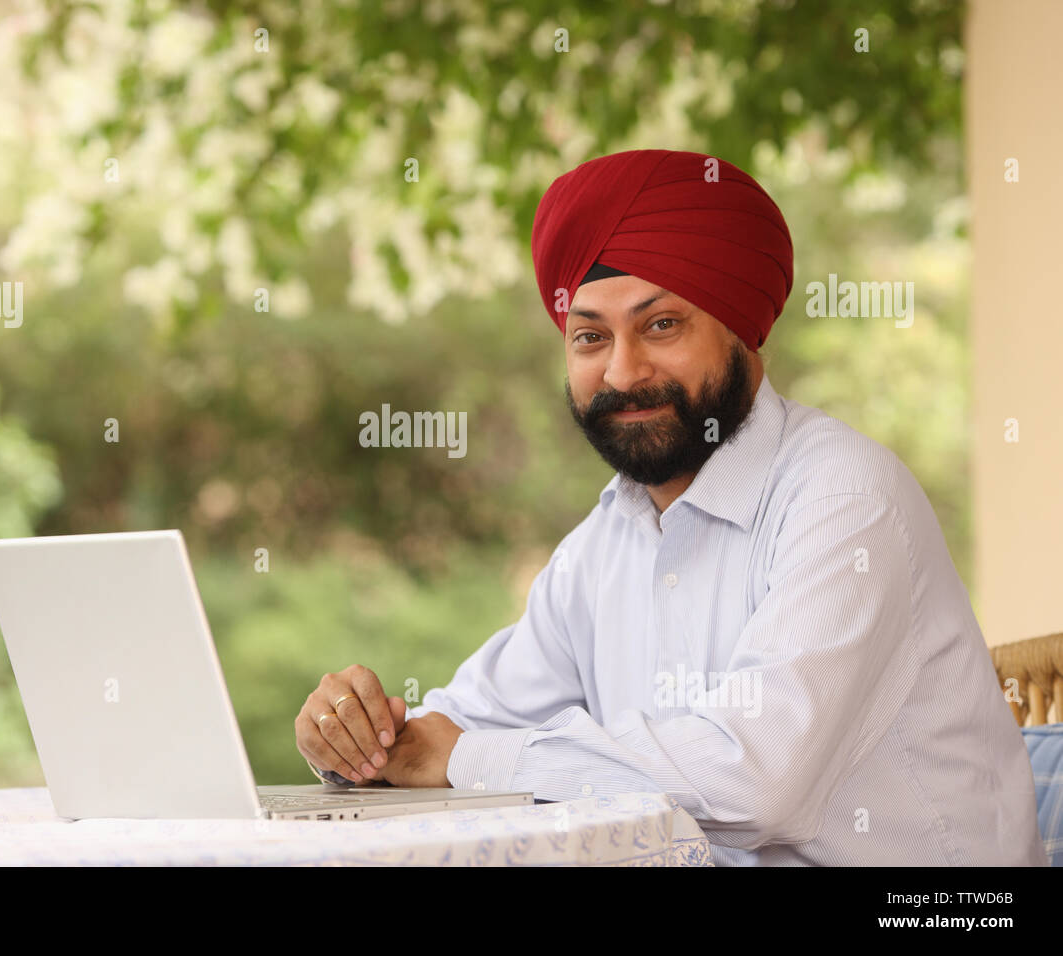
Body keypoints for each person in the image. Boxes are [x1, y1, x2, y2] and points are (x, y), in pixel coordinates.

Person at [294, 149, 1046, 865]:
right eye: (590, 336)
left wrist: (460, 757)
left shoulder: (844, 498)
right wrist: (362, 742)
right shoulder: (606, 542)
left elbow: (752, 782)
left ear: (744, 331)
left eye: (661, 325)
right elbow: (452, 730)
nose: (623, 372)